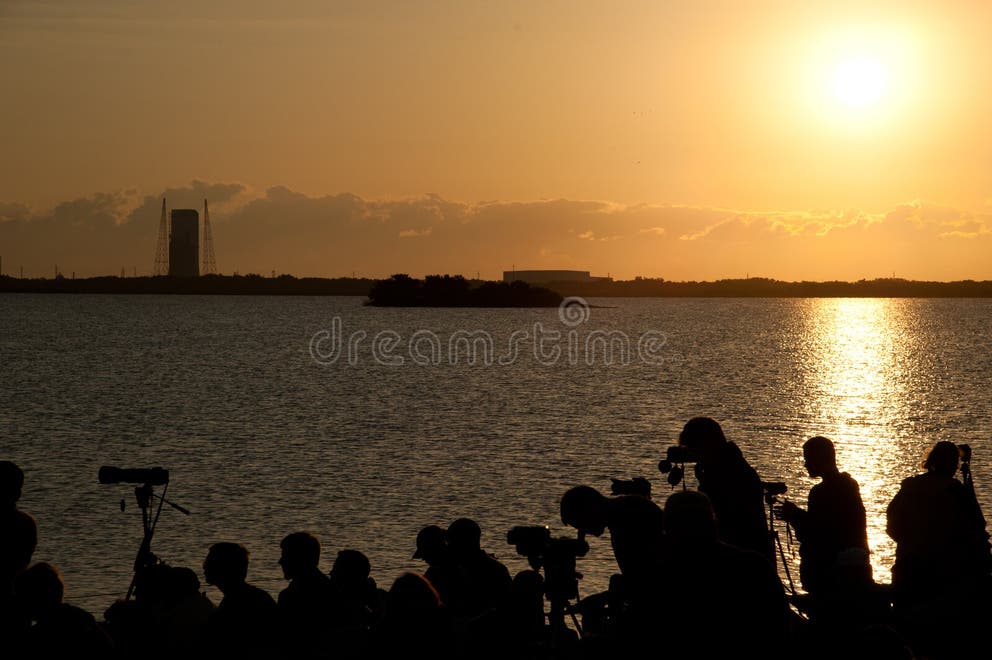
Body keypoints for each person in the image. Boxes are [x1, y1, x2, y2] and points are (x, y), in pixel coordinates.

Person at [657, 490, 788, 659]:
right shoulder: (755, 565)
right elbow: (780, 625)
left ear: (668, 527)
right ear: (713, 524)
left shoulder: (665, 575)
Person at [886, 442, 991, 624]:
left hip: (909, 567)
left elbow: (892, 525)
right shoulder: (956, 491)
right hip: (944, 575)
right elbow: (976, 530)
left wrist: (910, 543)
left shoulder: (910, 487)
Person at [779, 436, 877, 623]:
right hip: (853, 571)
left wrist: (794, 516)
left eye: (808, 459)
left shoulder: (821, 492)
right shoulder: (849, 485)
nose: (805, 464)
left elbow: (819, 535)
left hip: (830, 576)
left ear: (820, 458)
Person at [676, 416, 774, 564]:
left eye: (694, 449)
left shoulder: (727, 473)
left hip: (740, 557)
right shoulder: (730, 465)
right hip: (750, 553)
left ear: (707, 444)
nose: (694, 456)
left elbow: (720, 517)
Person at [202, 542, 280, 657]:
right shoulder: (255, 597)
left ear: (224, 568)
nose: (204, 566)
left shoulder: (240, 604)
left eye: (209, 562)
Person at [277, 531, 335, 657]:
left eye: (285, 556)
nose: (280, 561)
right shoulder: (330, 588)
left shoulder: (290, 597)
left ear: (299, 558)